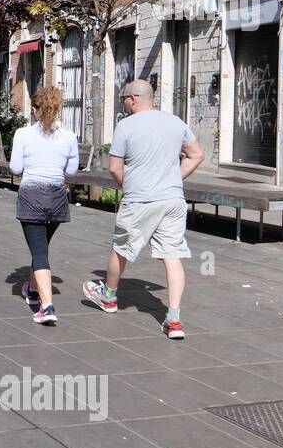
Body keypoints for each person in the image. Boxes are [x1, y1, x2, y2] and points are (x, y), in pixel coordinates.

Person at [83, 79, 205, 340]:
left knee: (121, 249)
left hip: (140, 199)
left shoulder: (126, 126)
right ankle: (174, 319)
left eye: (124, 99)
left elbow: (115, 167)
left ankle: (108, 297)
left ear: (133, 99)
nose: (124, 104)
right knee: (173, 255)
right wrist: (173, 178)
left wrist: (130, 186)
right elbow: (196, 155)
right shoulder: (175, 122)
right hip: (173, 199)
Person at [9, 87, 78, 326]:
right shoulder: (69, 136)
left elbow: (16, 168)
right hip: (57, 197)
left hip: (31, 196)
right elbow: (71, 171)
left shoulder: (23, 134)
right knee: (41, 247)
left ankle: (46, 307)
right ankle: (32, 289)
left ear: (35, 110)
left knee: (39, 252)